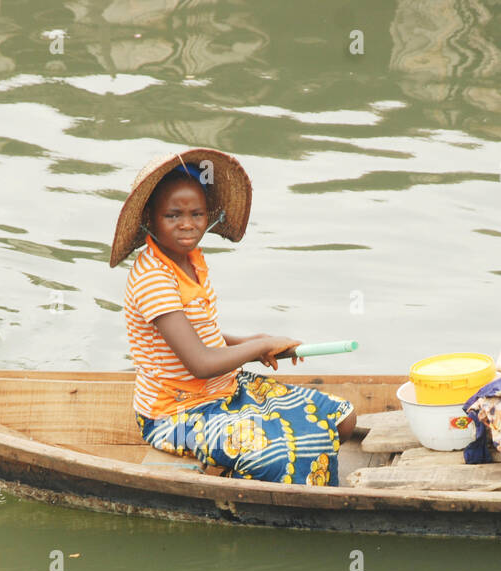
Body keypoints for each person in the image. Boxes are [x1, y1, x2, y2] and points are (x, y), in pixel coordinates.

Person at [109, 148, 356, 486]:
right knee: (287, 458)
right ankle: (242, 484)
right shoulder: (153, 277)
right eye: (173, 215)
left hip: (225, 390)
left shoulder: (191, 258)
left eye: (196, 214)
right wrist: (260, 347)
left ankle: (245, 472)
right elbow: (199, 362)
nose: (187, 224)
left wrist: (256, 342)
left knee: (343, 418)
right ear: (150, 219)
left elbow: (203, 336)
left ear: (208, 214)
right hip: (177, 413)